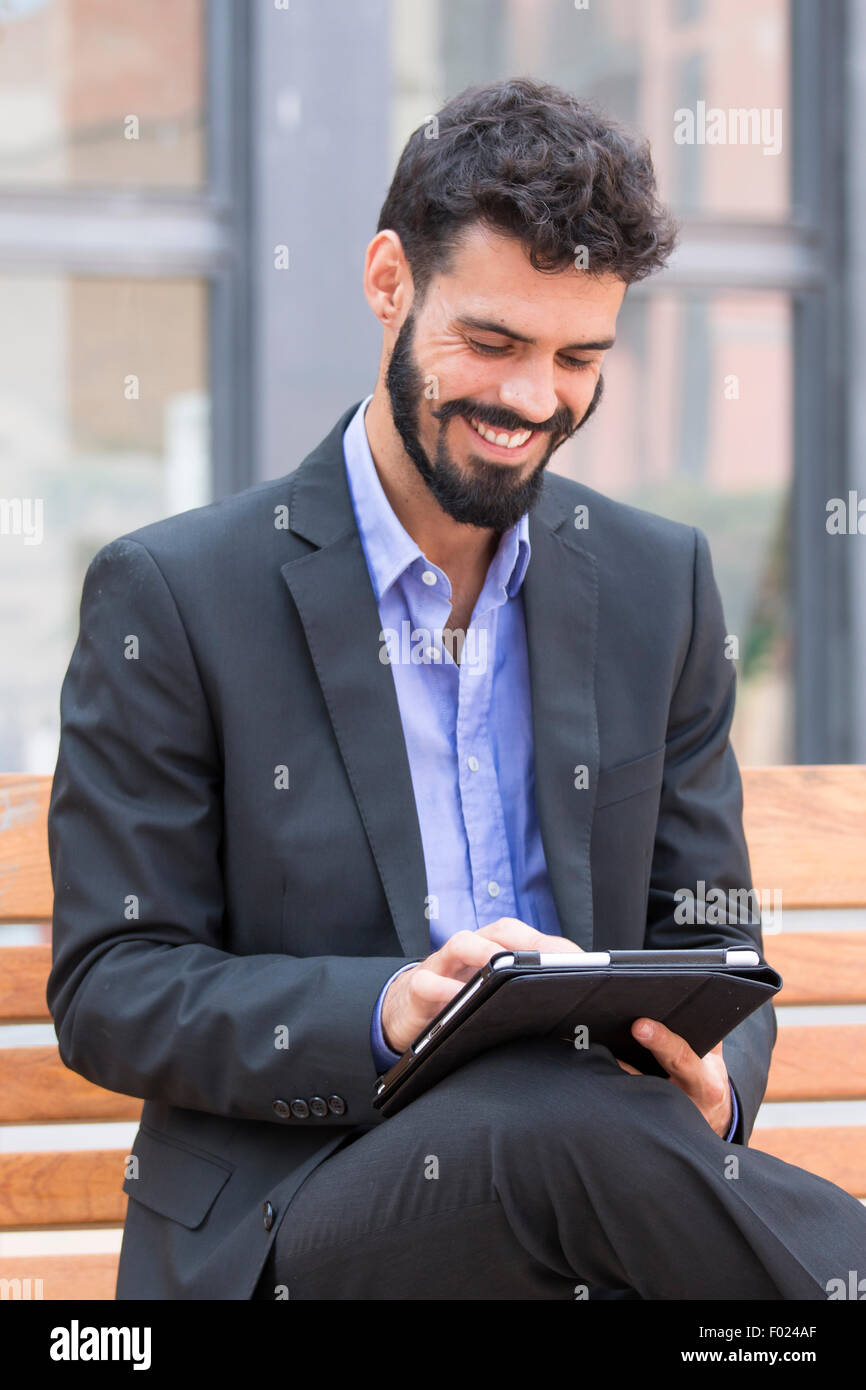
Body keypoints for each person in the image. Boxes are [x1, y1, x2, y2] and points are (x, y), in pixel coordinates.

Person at [47, 78, 866, 1301]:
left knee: (569, 1118)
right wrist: (391, 1006)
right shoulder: (174, 592)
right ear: (389, 282)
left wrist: (713, 1073)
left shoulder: (657, 583)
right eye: (491, 344)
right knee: (552, 1125)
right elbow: (112, 983)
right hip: (294, 1214)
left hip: (595, 1196)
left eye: (578, 356)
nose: (533, 401)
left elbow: (709, 935)